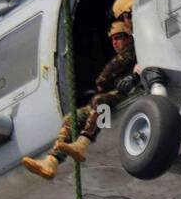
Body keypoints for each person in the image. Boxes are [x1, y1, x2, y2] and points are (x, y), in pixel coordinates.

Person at [23, 10, 139, 181]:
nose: (115, 42)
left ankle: (82, 144)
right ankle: (52, 161)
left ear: (129, 37)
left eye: (119, 37)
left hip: (131, 93)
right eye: (113, 39)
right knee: (73, 117)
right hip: (114, 98)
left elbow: (103, 79)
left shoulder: (132, 52)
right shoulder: (123, 56)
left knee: (101, 101)